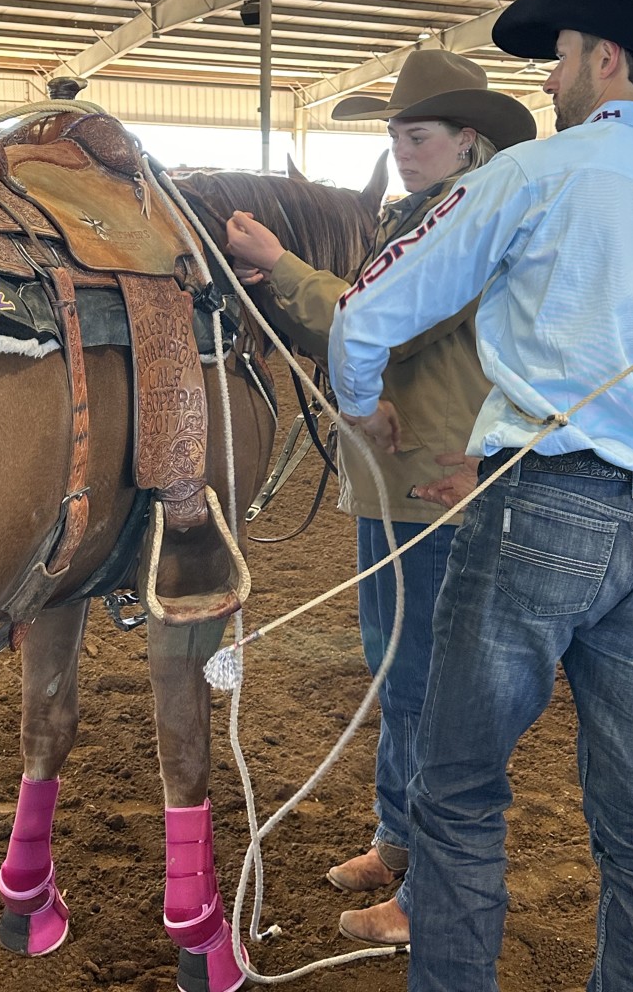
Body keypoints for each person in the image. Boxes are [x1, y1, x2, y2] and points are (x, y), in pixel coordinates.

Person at [327, 0, 633, 990]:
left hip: (542, 507)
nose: (549, 81)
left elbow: (366, 310)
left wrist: (364, 403)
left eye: (560, 58)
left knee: (456, 792)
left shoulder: (532, 175)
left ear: (606, 55)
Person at [225, 49, 536, 945]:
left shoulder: (463, 221)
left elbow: (379, 316)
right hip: (396, 487)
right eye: (398, 133)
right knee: (401, 680)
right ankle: (399, 839)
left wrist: (282, 262)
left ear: (466, 141)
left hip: (435, 482)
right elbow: (360, 313)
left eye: (421, 133)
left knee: (430, 689)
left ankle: (429, 889)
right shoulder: (419, 214)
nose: (403, 149)